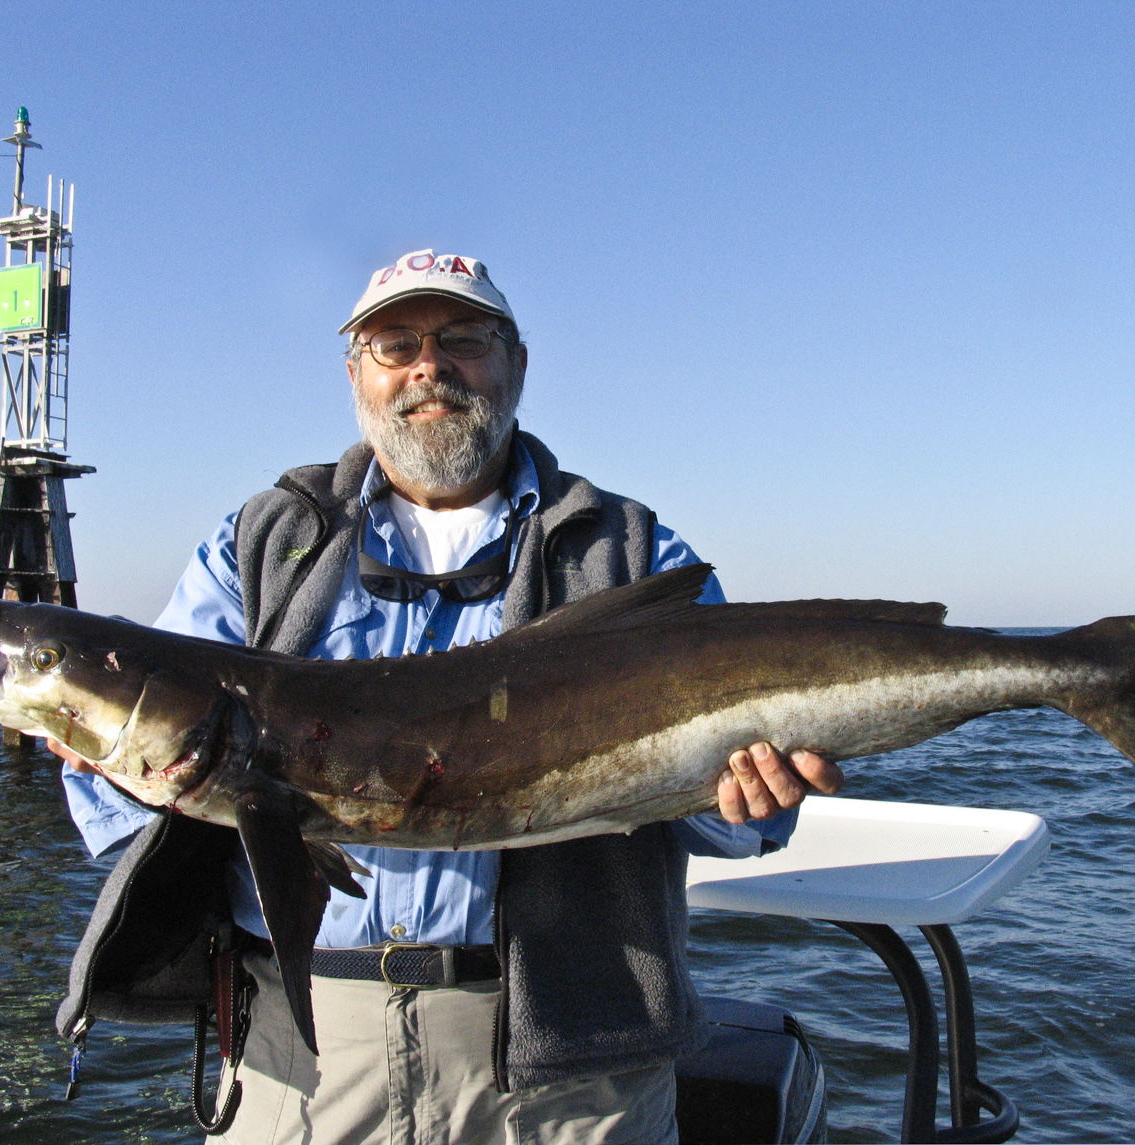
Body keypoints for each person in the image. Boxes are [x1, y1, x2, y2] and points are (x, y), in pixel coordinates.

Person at [53, 249, 843, 1145]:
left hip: (570, 1069)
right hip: (299, 1046)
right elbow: (146, 798)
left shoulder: (631, 551)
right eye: (395, 344)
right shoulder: (258, 542)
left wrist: (746, 799)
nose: (430, 366)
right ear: (356, 373)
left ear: (517, 364)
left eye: (464, 338)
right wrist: (108, 765)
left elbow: (733, 822)